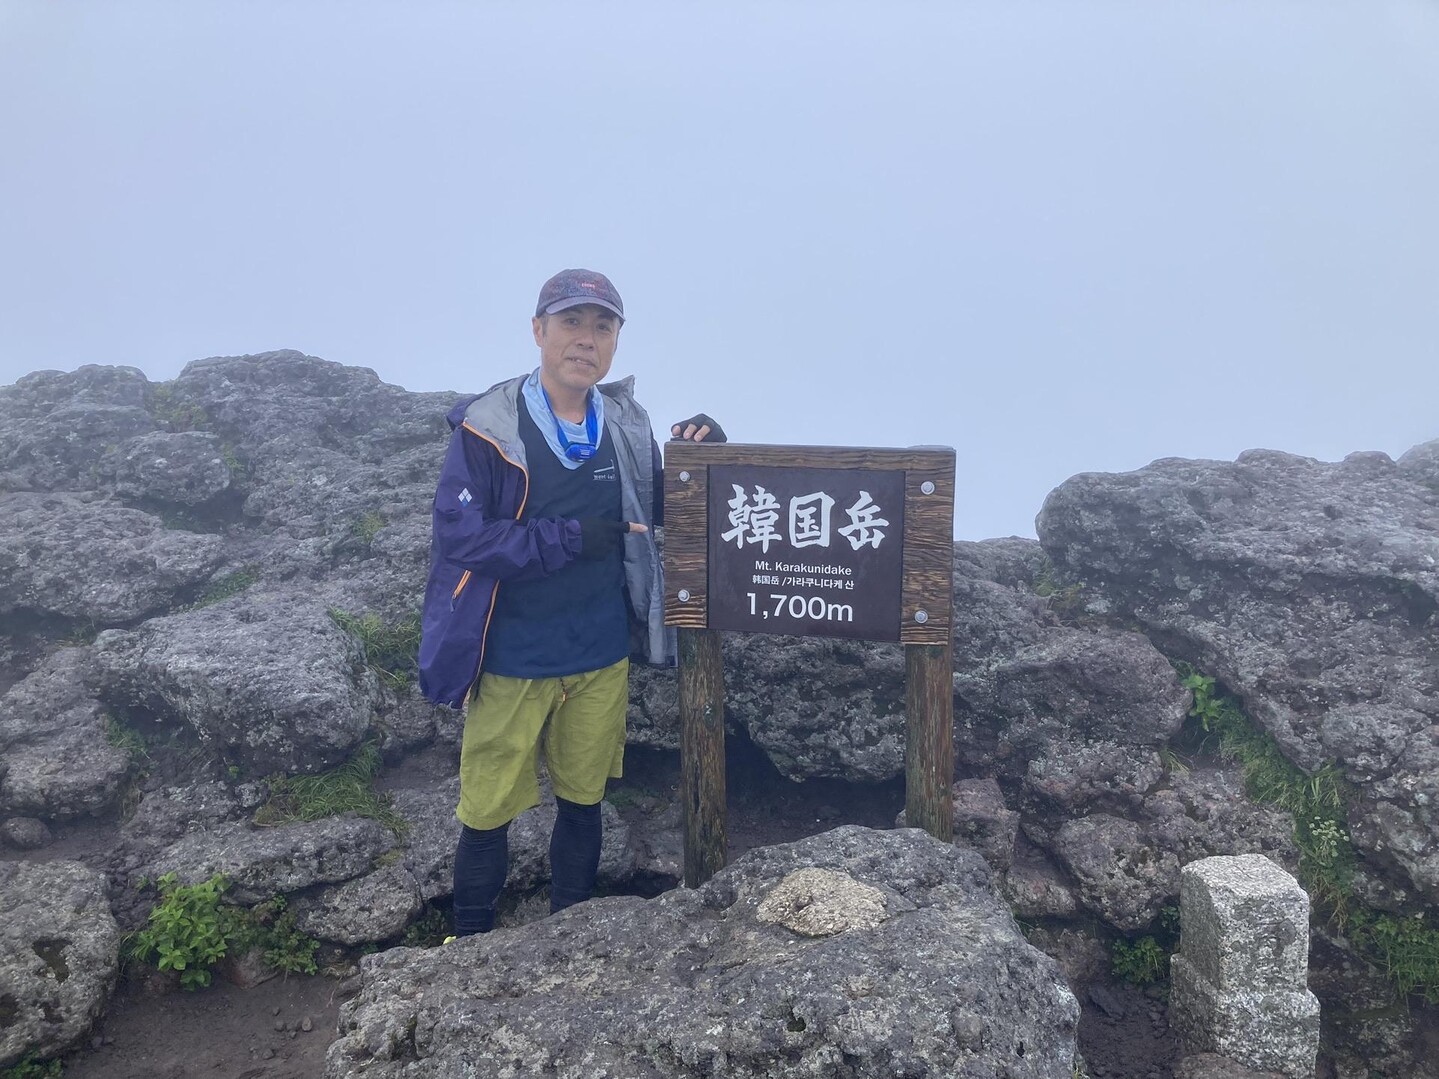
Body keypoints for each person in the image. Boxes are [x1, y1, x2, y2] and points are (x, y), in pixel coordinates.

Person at [418, 268, 724, 935]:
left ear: (615, 340)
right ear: (538, 330)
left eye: (602, 326)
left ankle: (571, 938)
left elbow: (657, 507)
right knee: (486, 810)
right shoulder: (489, 426)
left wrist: (707, 458)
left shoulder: (622, 422)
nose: (586, 340)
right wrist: (567, 539)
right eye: (571, 323)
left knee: (584, 802)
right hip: (510, 654)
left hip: (598, 652)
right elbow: (460, 534)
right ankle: (470, 944)